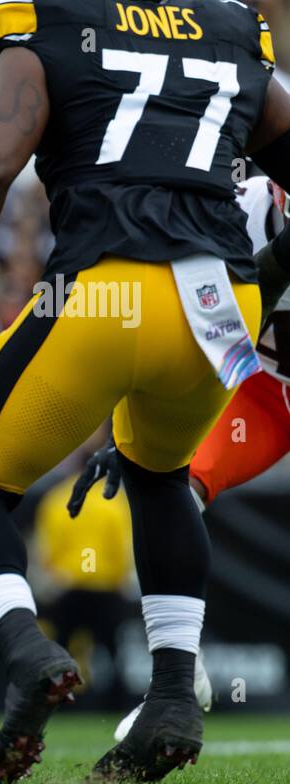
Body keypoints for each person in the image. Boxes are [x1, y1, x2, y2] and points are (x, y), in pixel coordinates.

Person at [0, 0, 290, 784]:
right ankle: (170, 694)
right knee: (159, 476)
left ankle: (27, 652)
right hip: (224, 301)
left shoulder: (41, 19)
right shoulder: (230, 24)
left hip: (106, 291)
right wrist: (272, 267)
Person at [67, 174, 289, 740]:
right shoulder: (243, 205)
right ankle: (177, 673)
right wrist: (138, 433)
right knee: (172, 477)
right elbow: (207, 327)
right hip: (257, 381)